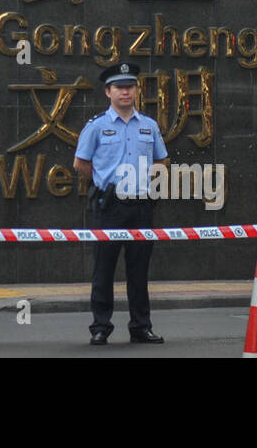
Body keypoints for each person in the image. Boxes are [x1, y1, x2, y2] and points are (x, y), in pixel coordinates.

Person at [73, 62, 169, 346]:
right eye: (119, 88)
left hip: (141, 204)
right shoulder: (97, 127)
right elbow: (81, 163)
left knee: (139, 272)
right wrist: (104, 184)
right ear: (108, 92)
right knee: (104, 270)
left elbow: (162, 160)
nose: (125, 92)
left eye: (130, 87)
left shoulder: (149, 126)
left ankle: (141, 326)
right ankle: (100, 326)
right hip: (110, 207)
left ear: (136, 90)